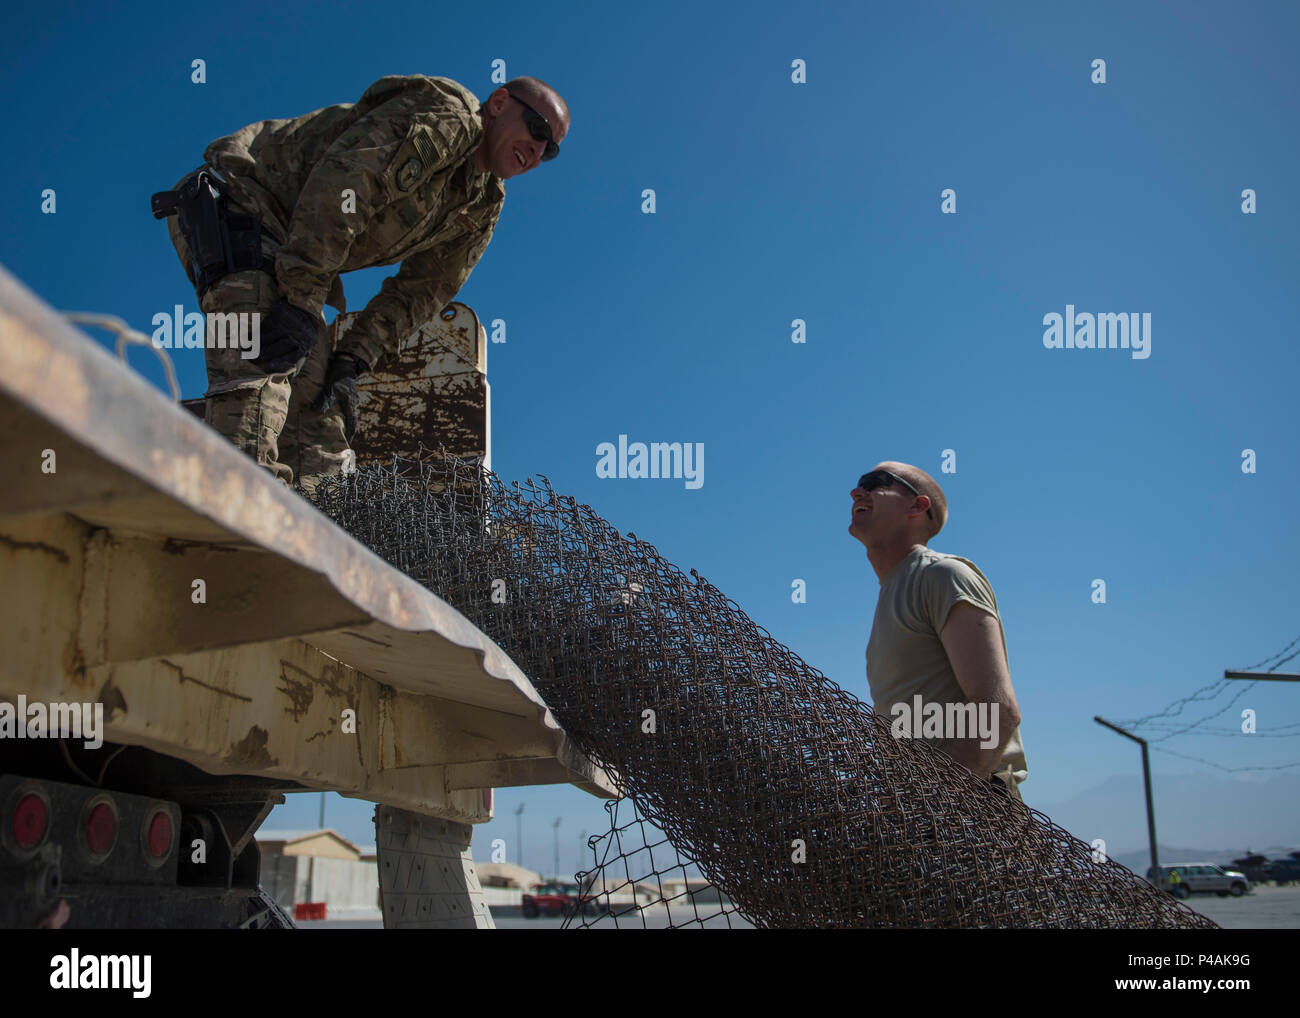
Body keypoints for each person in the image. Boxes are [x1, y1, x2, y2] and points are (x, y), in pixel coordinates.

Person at [153, 74, 569, 493]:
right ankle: (235, 518)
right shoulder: (450, 115)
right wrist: (300, 300)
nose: (536, 150)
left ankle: (310, 545)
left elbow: (422, 291)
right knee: (258, 371)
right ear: (498, 103)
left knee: (318, 418)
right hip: (240, 203)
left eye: (549, 150)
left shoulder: (481, 204)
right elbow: (344, 185)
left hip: (298, 255)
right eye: (536, 129)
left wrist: (353, 360)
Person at [849, 462, 1028, 800]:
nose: (857, 492)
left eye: (875, 483)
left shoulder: (942, 575)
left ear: (918, 506)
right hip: (920, 813)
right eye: (859, 484)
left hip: (973, 813)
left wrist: (939, 806)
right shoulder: (892, 590)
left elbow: (997, 710)